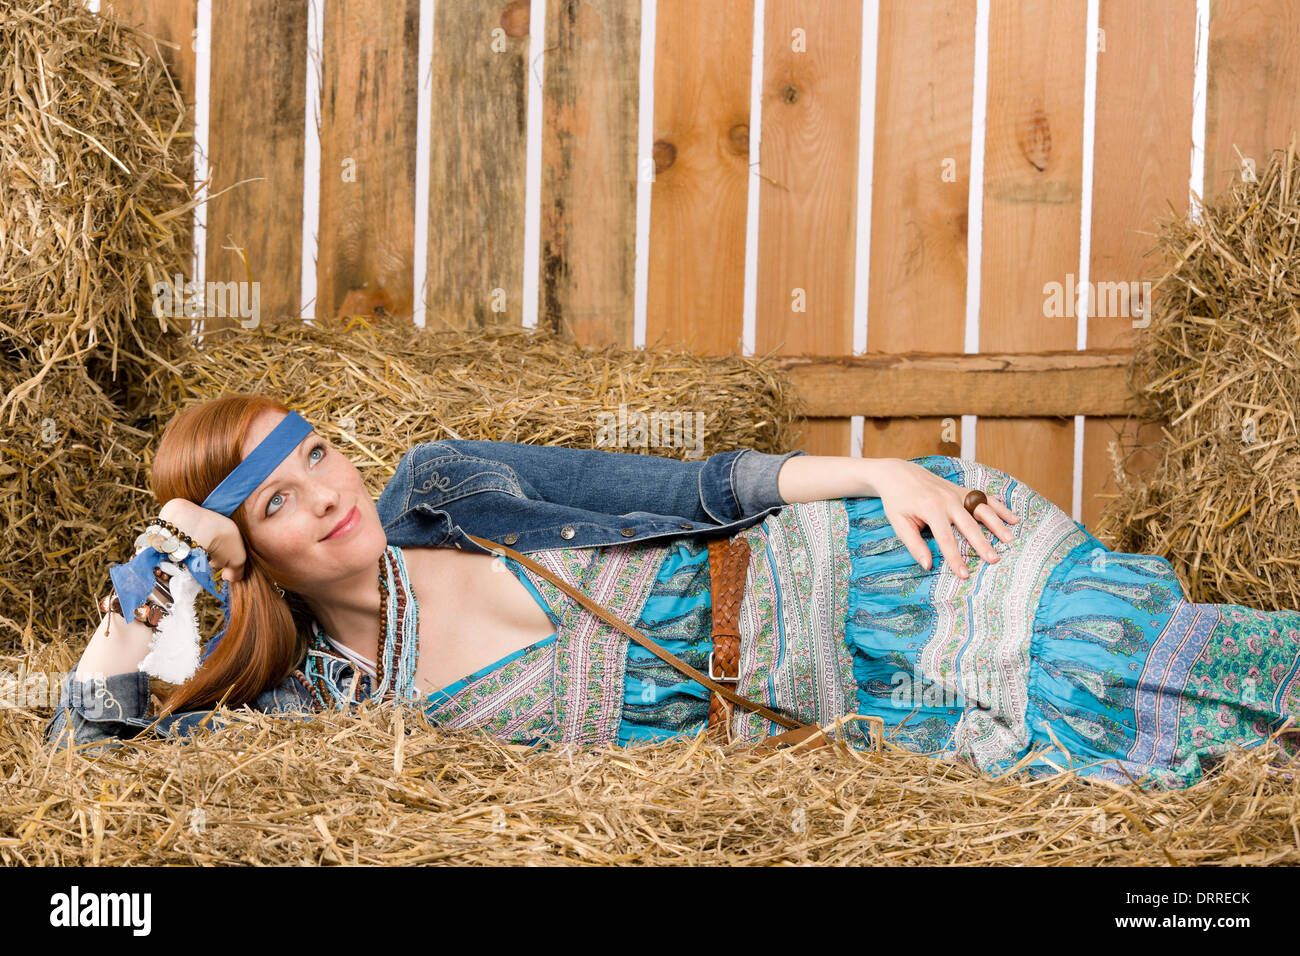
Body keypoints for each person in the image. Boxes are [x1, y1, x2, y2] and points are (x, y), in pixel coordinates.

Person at [44, 393, 1300, 790]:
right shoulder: (315, 717)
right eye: (275, 503)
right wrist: (156, 563)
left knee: (1146, 655)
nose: (326, 492)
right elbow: (85, 762)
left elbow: (693, 484)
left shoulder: (441, 484)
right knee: (1197, 757)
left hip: (860, 569)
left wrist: (879, 470)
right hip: (837, 710)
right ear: (243, 556)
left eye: (315, 453)